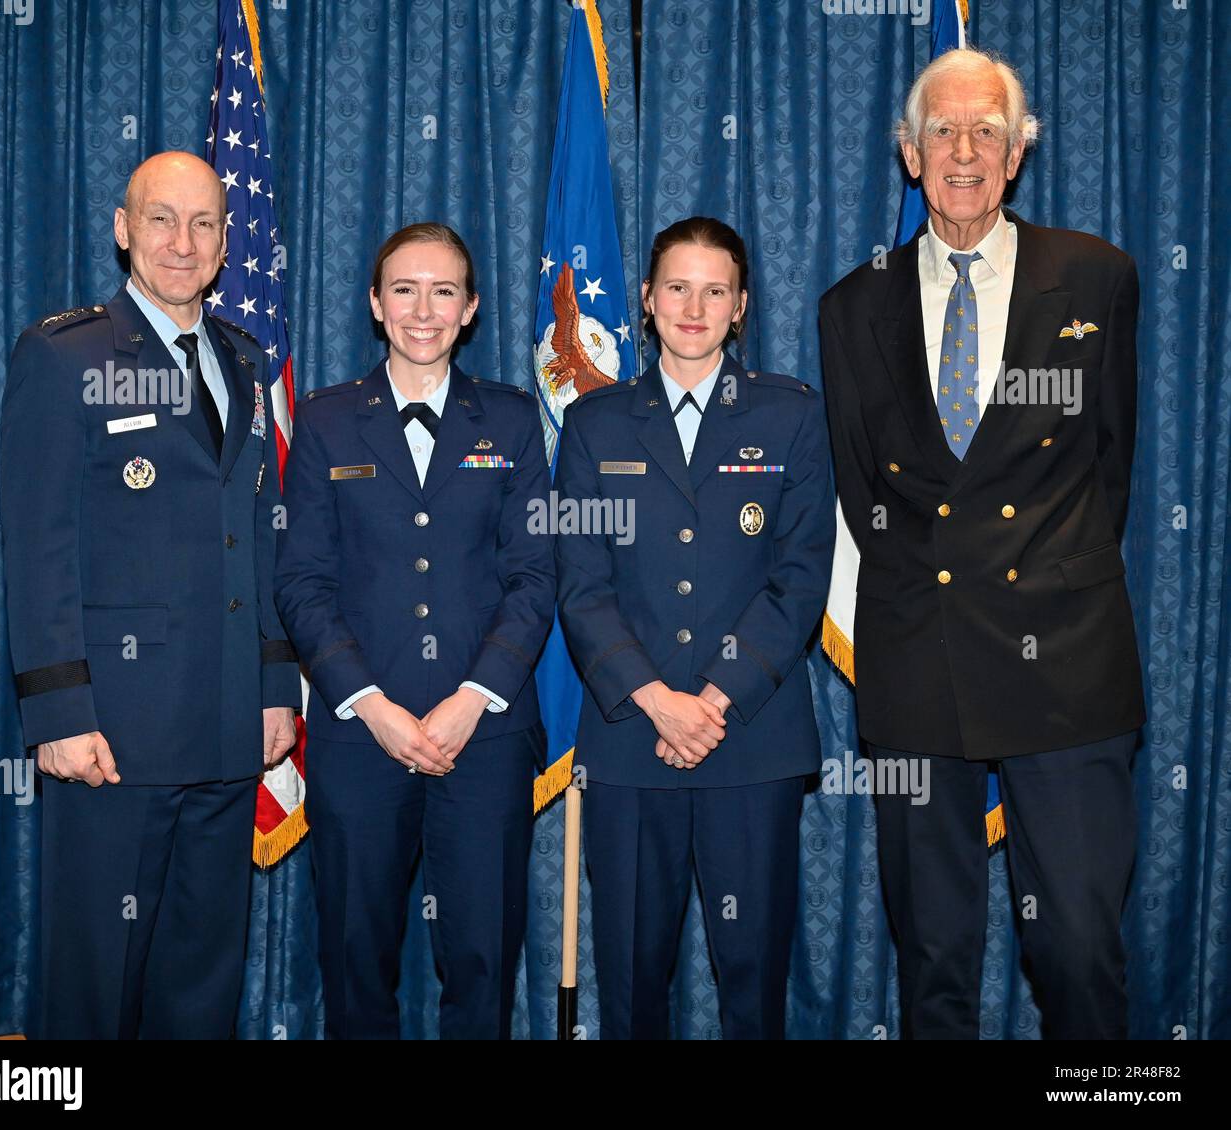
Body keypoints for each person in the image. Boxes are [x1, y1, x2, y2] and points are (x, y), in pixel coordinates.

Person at [819, 47, 1144, 1040]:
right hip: (919, 659)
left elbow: (1110, 465)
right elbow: (861, 484)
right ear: (909, 155)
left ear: (1015, 155)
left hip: (1066, 660)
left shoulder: (1094, 275)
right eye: (942, 132)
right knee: (932, 962)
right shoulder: (850, 304)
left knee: (1080, 951)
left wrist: (1047, 575)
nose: (964, 150)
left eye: (986, 131)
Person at [0, 151, 300, 1039]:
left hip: (227, 722)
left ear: (224, 242)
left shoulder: (244, 361)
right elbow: (37, 544)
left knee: (201, 975)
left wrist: (276, 687)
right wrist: (58, 713)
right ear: (124, 229)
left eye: (204, 224)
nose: (183, 242)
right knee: (91, 979)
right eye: (161, 219)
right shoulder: (66, 355)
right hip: (112, 731)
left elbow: (262, 536)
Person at [554, 217, 835, 1039]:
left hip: (750, 740)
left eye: (716, 290)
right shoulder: (595, 424)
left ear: (741, 307)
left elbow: (800, 577)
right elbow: (581, 582)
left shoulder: (790, 416)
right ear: (645, 299)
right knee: (634, 982)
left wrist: (710, 701)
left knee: (753, 981)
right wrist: (658, 703)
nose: (694, 306)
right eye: (677, 286)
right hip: (631, 744)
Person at [274, 222, 555, 1039]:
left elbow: (535, 576)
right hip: (360, 739)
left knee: (482, 961)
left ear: (470, 309)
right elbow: (301, 580)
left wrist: (472, 701)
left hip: (487, 740)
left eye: (443, 291)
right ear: (374, 303)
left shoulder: (509, 420)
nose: (422, 310)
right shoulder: (327, 421)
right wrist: (373, 706)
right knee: (357, 960)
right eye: (404, 289)